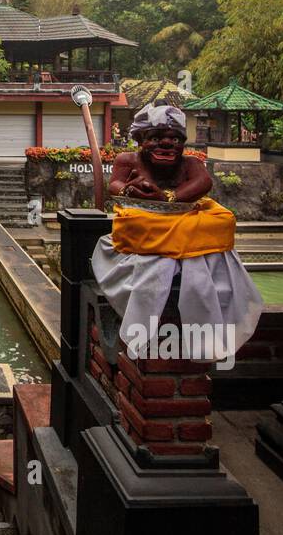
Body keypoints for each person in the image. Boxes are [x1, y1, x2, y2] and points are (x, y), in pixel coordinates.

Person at [91, 104, 262, 362]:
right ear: (141, 140)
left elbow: (204, 183)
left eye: (174, 138)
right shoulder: (128, 160)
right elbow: (114, 184)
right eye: (157, 138)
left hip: (183, 213)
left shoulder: (189, 163)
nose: (166, 144)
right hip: (145, 217)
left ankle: (185, 258)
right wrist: (130, 189)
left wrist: (169, 197)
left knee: (222, 220)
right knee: (134, 224)